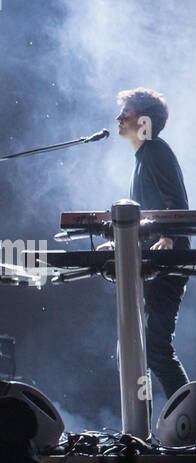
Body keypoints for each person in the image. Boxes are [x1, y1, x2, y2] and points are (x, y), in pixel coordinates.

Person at [112, 88, 190, 401]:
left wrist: (168, 237)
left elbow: (176, 203)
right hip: (152, 264)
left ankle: (190, 429)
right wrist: (120, 243)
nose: (118, 118)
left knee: (154, 350)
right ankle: (139, 431)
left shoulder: (155, 151)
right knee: (134, 353)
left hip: (166, 267)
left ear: (143, 121)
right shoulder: (143, 157)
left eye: (125, 114)